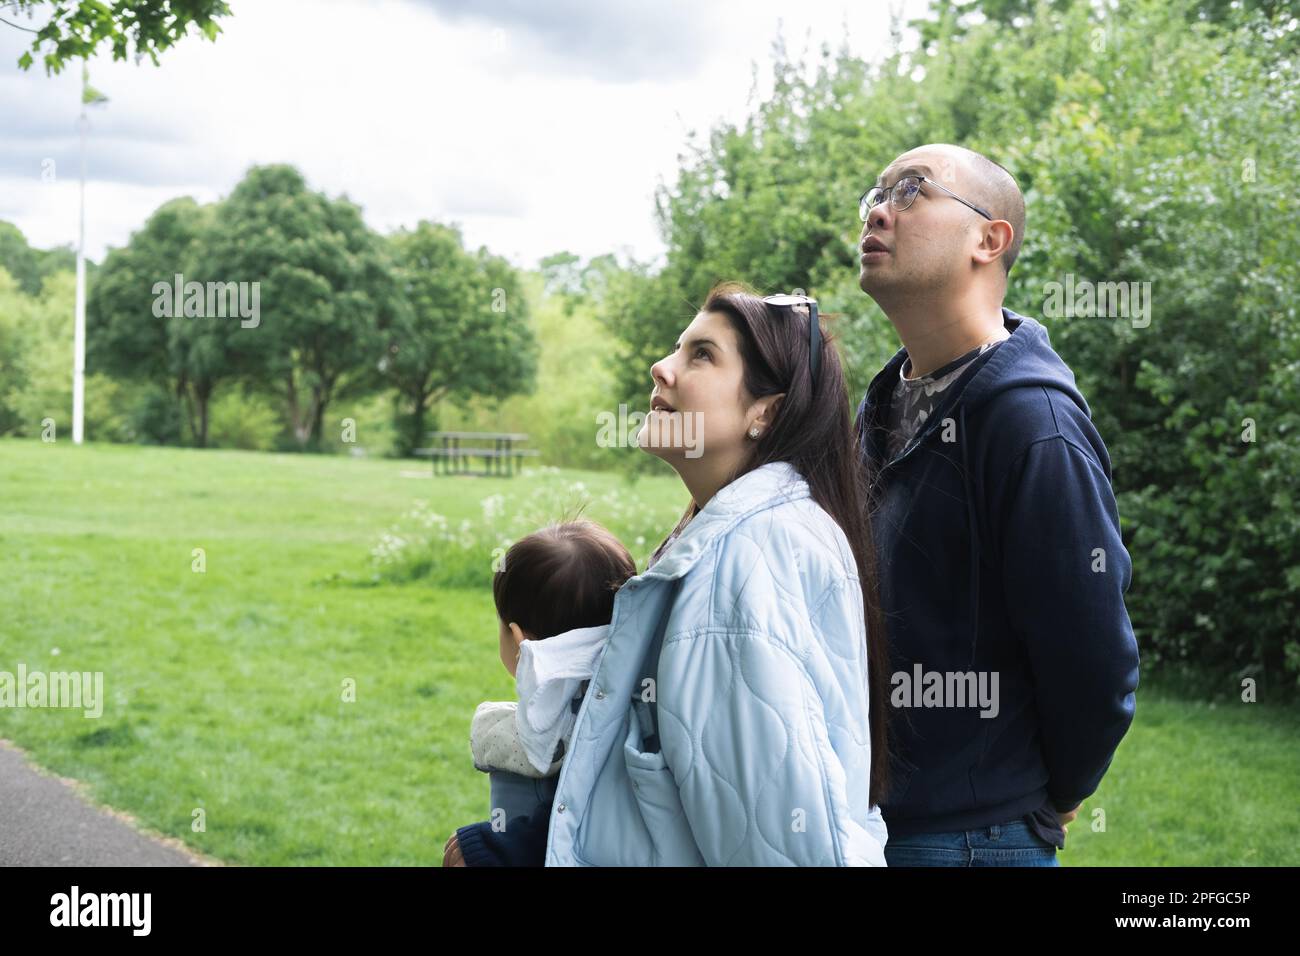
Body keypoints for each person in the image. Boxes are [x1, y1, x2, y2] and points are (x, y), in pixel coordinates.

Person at [853, 142, 1140, 866]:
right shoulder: (883, 407)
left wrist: (1062, 791)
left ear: (991, 239)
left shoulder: (1031, 423)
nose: (879, 211)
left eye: (912, 191)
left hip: (969, 838)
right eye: (875, 196)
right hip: (868, 819)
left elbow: (1092, 652)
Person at [543, 281, 892, 866]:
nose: (661, 368)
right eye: (678, 349)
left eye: (701, 354)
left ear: (767, 411)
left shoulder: (746, 562)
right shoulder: (746, 533)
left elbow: (781, 846)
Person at [441, 520, 636, 867]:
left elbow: (577, 808)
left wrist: (495, 849)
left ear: (520, 642)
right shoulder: (629, 690)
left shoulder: (578, 718)